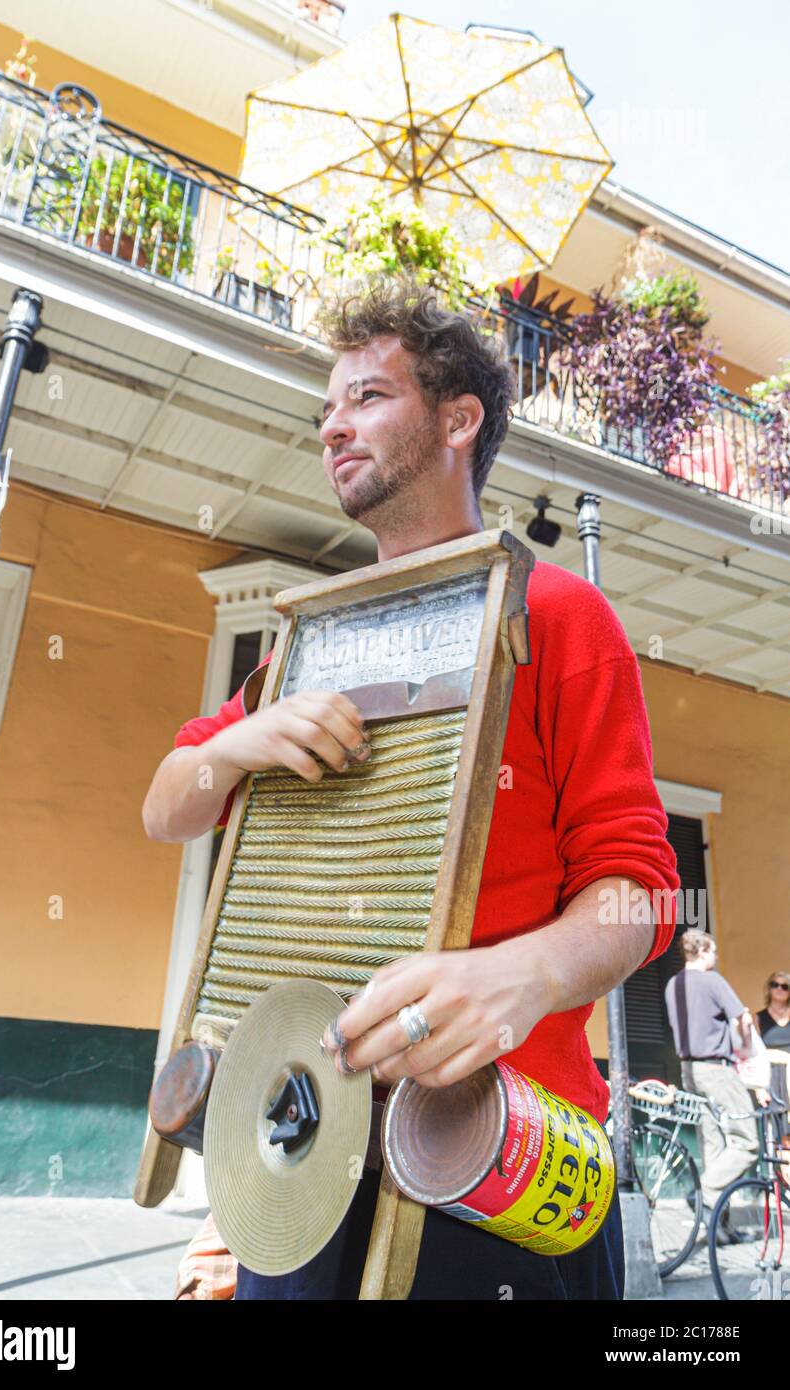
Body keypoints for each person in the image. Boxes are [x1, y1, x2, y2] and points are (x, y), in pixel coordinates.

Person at [143, 275, 680, 1300]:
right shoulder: (305, 646)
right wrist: (245, 739)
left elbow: (641, 890)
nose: (331, 427)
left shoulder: (558, 615)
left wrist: (511, 978)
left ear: (456, 419)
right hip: (296, 1149)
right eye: (325, 409)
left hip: (490, 1158)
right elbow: (167, 804)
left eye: (366, 398)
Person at [663, 929, 760, 1218]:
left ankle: (719, 1224)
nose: (716, 958)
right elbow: (741, 1016)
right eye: (714, 952)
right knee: (747, 1141)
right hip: (716, 1068)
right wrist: (744, 1043)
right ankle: (704, 1190)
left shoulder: (672, 985)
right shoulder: (712, 981)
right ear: (703, 950)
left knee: (711, 1143)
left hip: (689, 1070)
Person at [754, 970, 790, 1146]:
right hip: (772, 1074)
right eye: (775, 985)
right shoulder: (759, 1018)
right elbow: (755, 1050)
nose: (779, 989)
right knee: (777, 1129)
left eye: (785, 986)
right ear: (769, 989)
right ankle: (782, 1172)